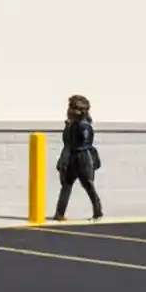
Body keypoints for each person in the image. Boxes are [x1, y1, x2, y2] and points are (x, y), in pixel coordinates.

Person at [53, 94, 103, 222]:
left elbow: (84, 143)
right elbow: (67, 143)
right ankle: (59, 213)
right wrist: (63, 159)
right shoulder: (70, 125)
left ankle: (98, 212)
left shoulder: (83, 126)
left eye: (73, 108)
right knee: (66, 185)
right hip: (71, 157)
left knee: (88, 185)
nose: (70, 111)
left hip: (82, 157)